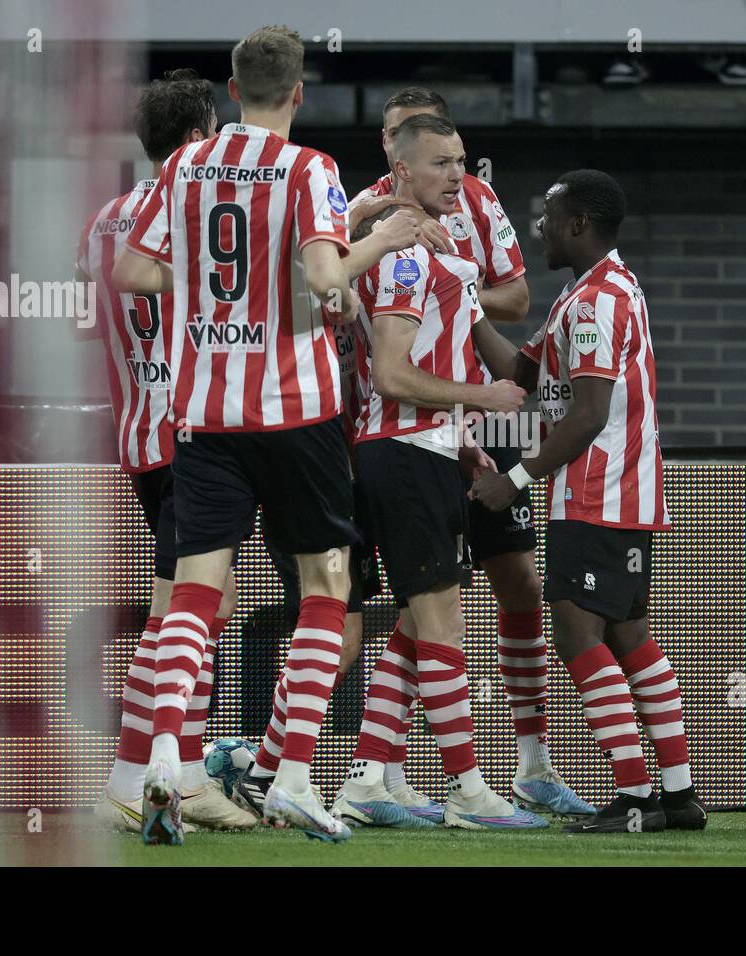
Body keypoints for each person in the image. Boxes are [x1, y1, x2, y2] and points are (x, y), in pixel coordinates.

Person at [113, 25, 396, 844]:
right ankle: (296, 777)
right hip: (296, 415)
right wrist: (379, 238)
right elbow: (322, 277)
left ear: (232, 91)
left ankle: (166, 761)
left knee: (193, 595)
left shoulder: (184, 165)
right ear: (298, 94)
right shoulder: (311, 169)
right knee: (325, 586)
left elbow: (132, 272)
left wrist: (203, 284)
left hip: (203, 417)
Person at [342, 88, 592, 820]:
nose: (458, 174)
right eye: (441, 163)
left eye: (460, 160)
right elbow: (390, 371)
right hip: (400, 444)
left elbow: (481, 323)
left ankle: (365, 779)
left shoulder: (442, 241)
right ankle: (470, 790)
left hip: (433, 445)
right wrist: (480, 401)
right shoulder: (402, 251)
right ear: (399, 167)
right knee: (436, 619)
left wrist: (465, 440)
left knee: (424, 620)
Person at [469, 170, 707, 833]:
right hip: (626, 493)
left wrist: (512, 481)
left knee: (577, 633)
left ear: (579, 225)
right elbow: (521, 371)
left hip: (598, 492)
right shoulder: (590, 292)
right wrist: (465, 305)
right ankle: (681, 796)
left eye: (549, 216)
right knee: (631, 636)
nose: (540, 227)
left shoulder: (599, 300)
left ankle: (633, 801)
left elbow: (588, 414)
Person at [75, 69, 254, 833]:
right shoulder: (199, 210)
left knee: (184, 607)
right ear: (192, 139)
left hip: (139, 435)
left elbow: (96, 330)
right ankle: (152, 776)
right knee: (186, 611)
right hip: (193, 433)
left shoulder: (102, 222)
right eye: (212, 131)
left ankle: (159, 773)